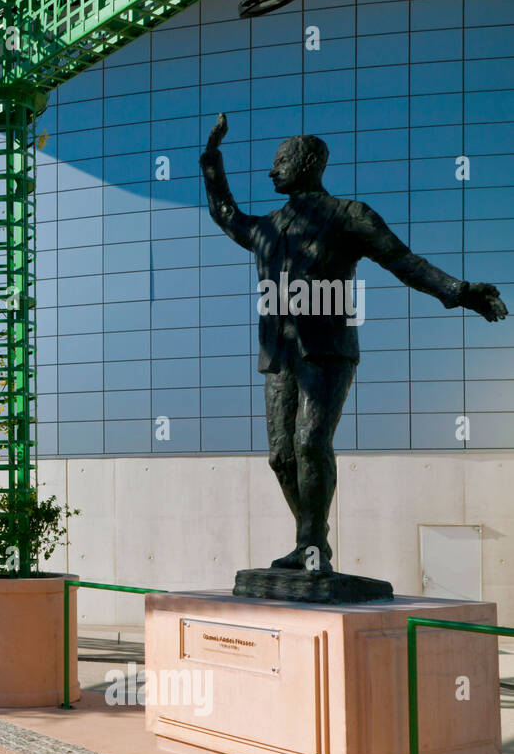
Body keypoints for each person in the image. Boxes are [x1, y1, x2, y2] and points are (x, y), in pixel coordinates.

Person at [200, 112, 506, 572]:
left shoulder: (349, 216)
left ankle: (311, 546)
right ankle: (312, 540)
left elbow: (403, 261)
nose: (271, 170)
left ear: (308, 163)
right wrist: (212, 158)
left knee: (309, 441)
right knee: (281, 455)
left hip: (327, 351)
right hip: (279, 355)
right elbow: (225, 214)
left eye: (281, 160)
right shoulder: (266, 228)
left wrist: (459, 292)